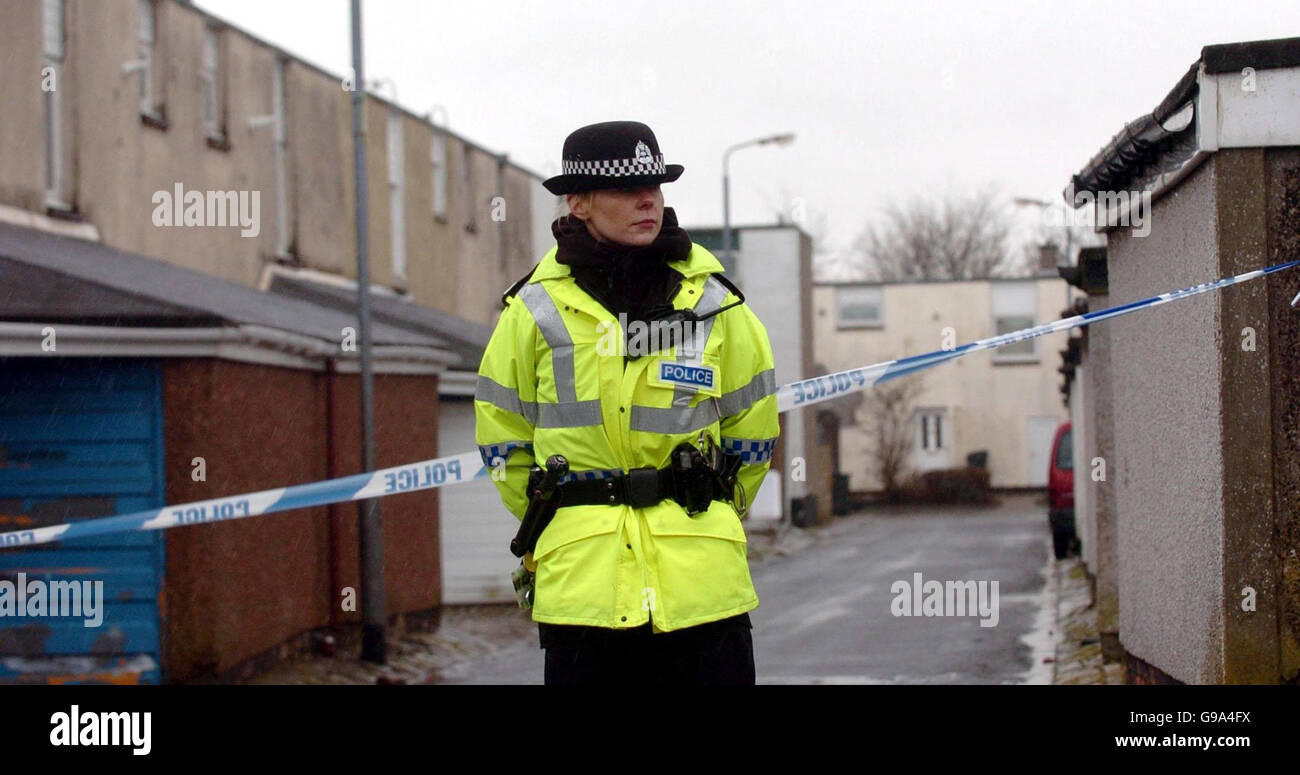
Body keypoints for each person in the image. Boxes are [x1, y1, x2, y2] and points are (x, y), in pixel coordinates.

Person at [474, 120, 780, 685]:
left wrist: (710, 513)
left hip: (701, 586)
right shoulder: (533, 310)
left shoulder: (716, 304)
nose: (648, 201)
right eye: (625, 190)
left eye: (656, 187)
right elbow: (502, 438)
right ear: (580, 202)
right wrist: (565, 519)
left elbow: (754, 436)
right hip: (585, 591)